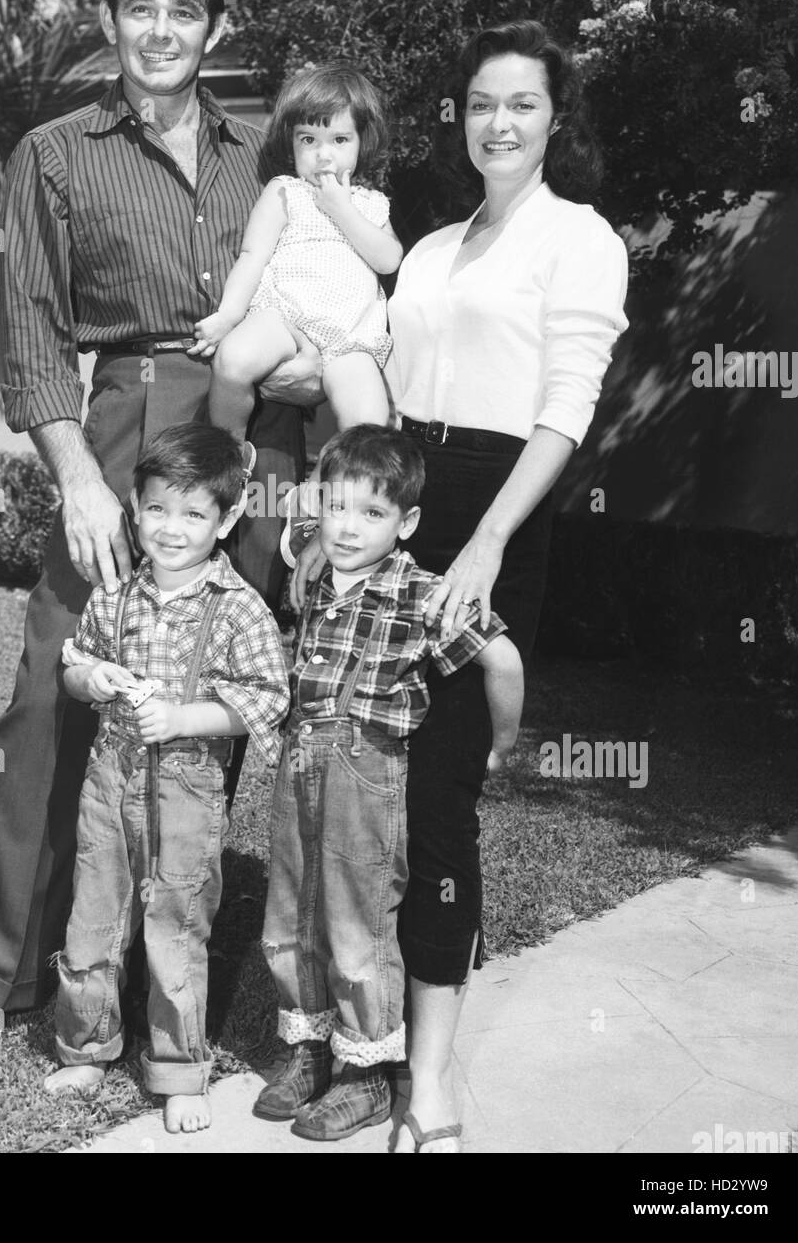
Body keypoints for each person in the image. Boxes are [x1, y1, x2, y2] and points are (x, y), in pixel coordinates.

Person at [0, 0, 319, 1079]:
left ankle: (147, 963)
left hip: (259, 436)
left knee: (211, 704)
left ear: (213, 25)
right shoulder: (55, 152)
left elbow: (334, 291)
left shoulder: (263, 156)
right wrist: (78, 472)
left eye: (184, 9)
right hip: (123, 420)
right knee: (49, 703)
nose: (162, 29)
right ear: (110, 20)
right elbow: (30, 324)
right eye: (140, 7)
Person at [293, 21, 629, 1152]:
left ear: (553, 119)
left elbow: (565, 413)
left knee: (436, 800)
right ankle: (353, 1035)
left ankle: (428, 1082)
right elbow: (370, 368)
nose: (498, 122)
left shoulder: (580, 241)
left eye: (522, 104)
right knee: (357, 783)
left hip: (494, 514)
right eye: (482, 102)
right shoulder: (430, 247)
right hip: (399, 505)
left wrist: (482, 545)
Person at [257, 425, 522, 1142]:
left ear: (405, 523)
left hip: (369, 774)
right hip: (301, 763)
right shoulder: (312, 577)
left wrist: (499, 745)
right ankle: (307, 1050)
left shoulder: (422, 592)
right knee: (293, 908)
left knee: (357, 923)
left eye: (371, 514)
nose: (347, 527)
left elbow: (502, 660)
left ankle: (365, 1072)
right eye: (336, 507)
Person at [44, 425, 289, 1133]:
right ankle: (85, 1046)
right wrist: (95, 677)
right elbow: (76, 666)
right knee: (93, 917)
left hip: (186, 791)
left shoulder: (239, 607)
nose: (171, 529)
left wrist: (185, 716)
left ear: (227, 519)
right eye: (156, 510)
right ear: (133, 505)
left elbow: (267, 699)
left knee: (175, 927)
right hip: (109, 778)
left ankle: (179, 1069)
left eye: (193, 515)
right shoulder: (115, 594)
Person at [189, 64, 403, 564]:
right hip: (286, 314)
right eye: (309, 138)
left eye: (338, 138)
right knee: (235, 360)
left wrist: (341, 207)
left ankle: (317, 498)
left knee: (367, 427)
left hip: (350, 337)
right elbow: (252, 257)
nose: (322, 153)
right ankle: (228, 459)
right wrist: (227, 316)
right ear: (291, 143)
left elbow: (389, 259)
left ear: (361, 143)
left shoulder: (370, 204)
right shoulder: (284, 191)